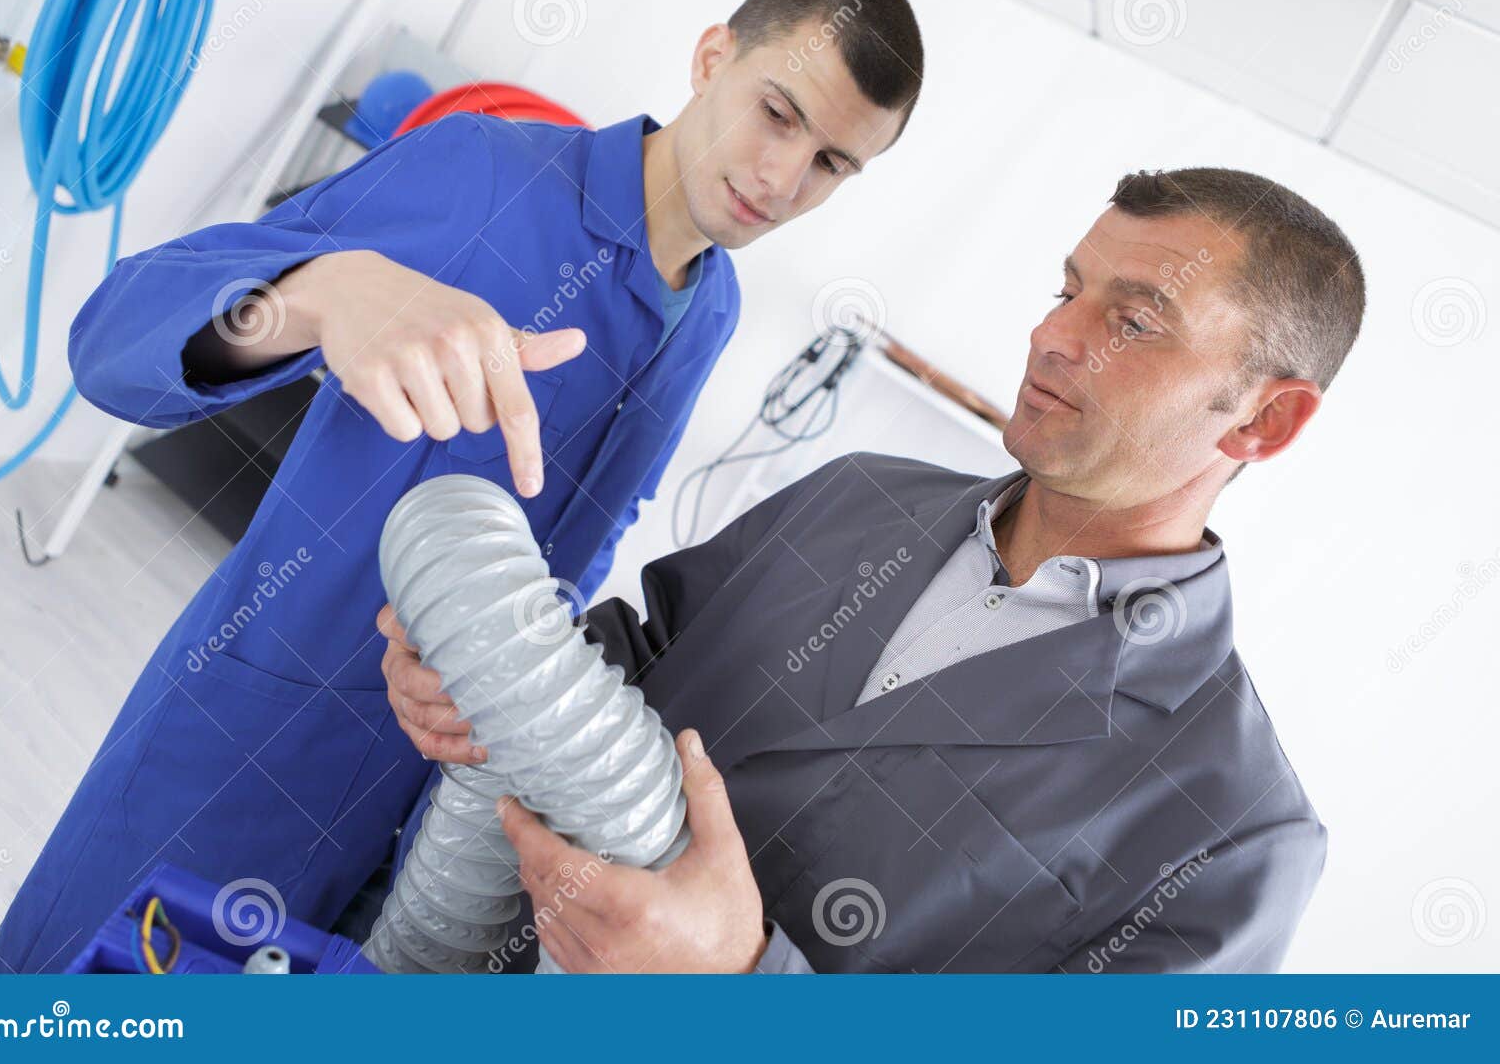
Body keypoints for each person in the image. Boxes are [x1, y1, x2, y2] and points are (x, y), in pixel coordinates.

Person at [0, 0, 925, 973]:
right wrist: (320, 293)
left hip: (434, 820)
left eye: (831, 162)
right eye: (777, 112)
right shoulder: (481, 172)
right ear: (711, 59)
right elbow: (113, 339)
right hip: (244, 746)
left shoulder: (711, 313)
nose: (784, 179)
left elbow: (584, 542)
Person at [384, 167, 1364, 972]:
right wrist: (477, 670)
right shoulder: (860, 496)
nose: (1052, 335)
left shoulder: (1233, 832)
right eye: (1068, 291)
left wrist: (738, 987)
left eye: (1136, 322)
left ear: (1263, 419)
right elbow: (636, 658)